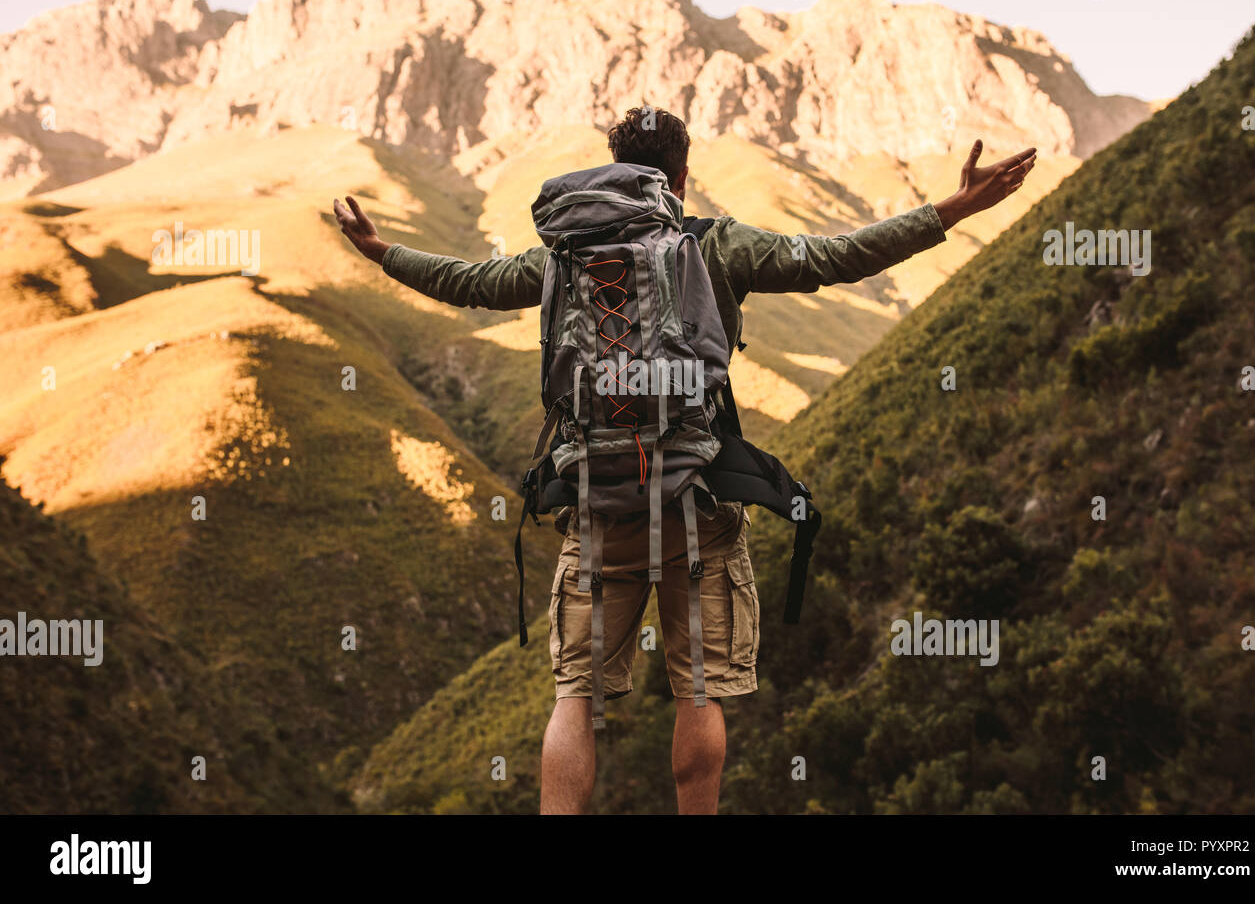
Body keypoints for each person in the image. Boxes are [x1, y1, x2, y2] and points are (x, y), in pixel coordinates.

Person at [334, 107, 1036, 814]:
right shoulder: (713, 245)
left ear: (616, 165)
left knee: (575, 697)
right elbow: (837, 258)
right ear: (681, 177)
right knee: (697, 687)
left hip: (595, 502)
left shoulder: (562, 258)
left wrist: (380, 249)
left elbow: (467, 282)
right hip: (696, 501)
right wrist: (955, 207)